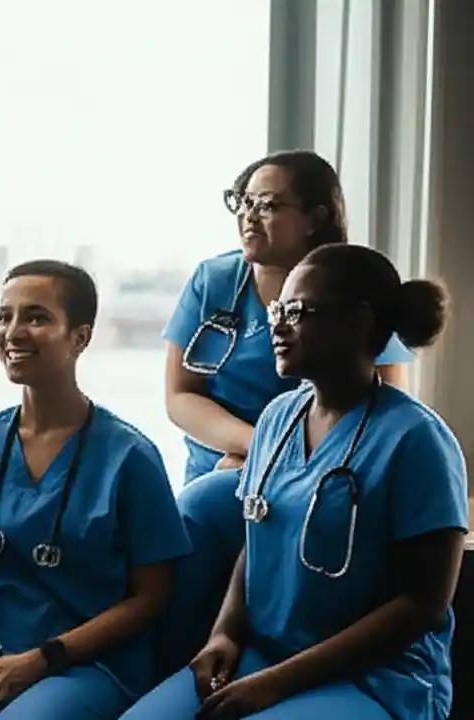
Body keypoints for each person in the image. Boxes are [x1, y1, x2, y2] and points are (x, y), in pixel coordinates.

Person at [124, 243, 467, 719]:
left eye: (297, 311)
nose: (276, 325)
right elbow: (257, 537)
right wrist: (225, 632)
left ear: (358, 322)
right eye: (276, 309)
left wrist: (277, 683)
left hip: (376, 678)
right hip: (263, 658)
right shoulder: (278, 418)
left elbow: (421, 605)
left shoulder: (418, 441)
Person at [0, 260, 191, 720]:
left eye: (36, 317)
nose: (13, 332)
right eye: (4, 316)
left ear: (80, 337)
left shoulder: (130, 457)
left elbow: (150, 598)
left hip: (87, 665)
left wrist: (41, 659)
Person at [164, 150, 410, 482]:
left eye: (268, 205)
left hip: (323, 474)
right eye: (244, 202)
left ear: (315, 218)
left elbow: (385, 405)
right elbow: (180, 395)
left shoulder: (357, 285)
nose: (249, 216)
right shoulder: (213, 281)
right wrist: (259, 448)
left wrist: (283, 459)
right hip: (222, 469)